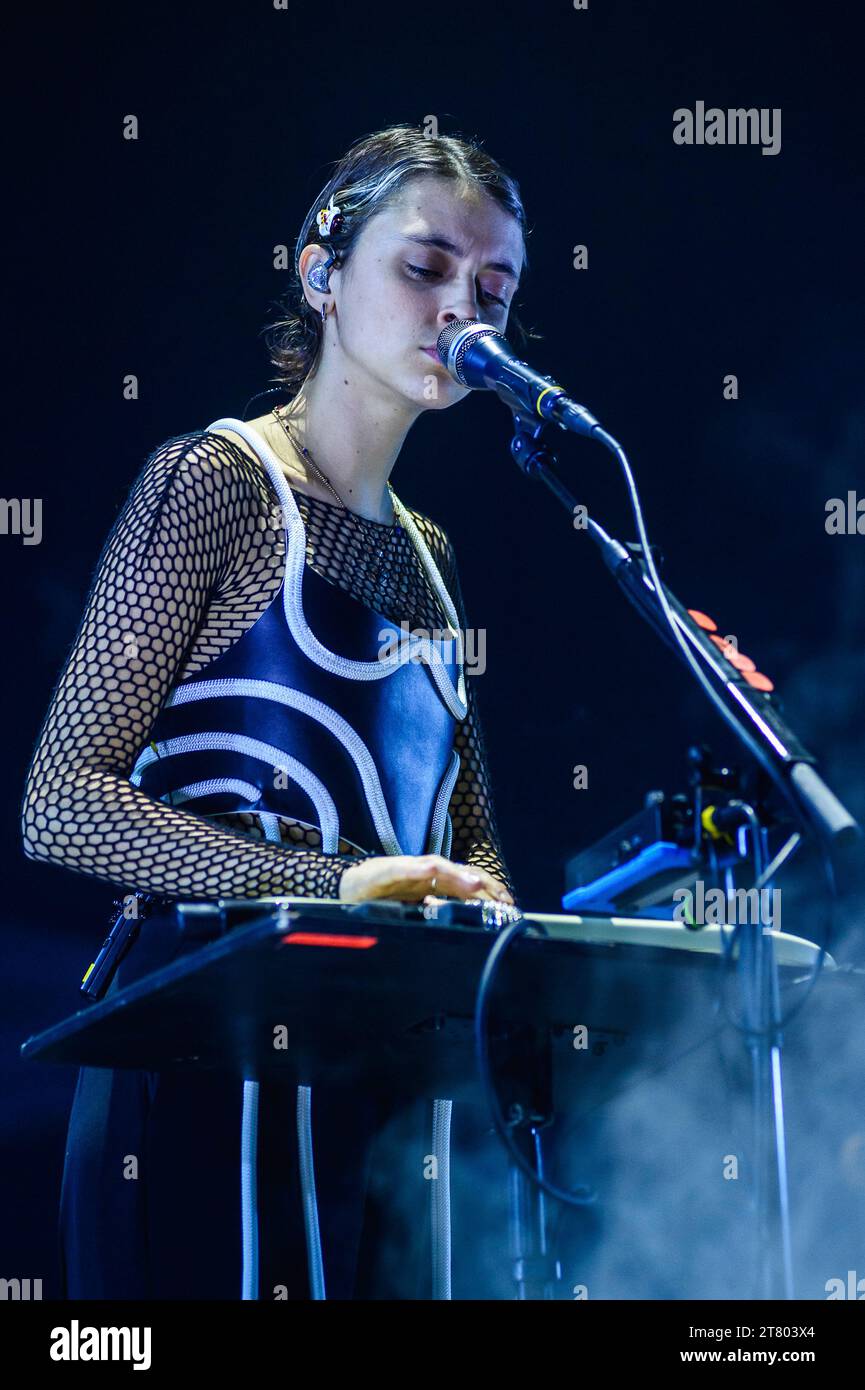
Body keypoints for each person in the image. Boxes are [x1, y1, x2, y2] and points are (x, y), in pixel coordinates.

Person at [21, 122, 533, 1299]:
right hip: (202, 1060)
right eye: (426, 268)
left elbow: (472, 849)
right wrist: (329, 887)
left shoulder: (434, 559)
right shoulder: (216, 483)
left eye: (494, 287)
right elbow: (64, 805)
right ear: (320, 272)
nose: (467, 310)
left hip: (380, 1082)